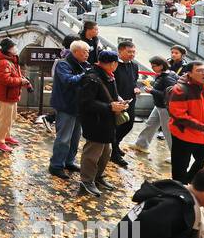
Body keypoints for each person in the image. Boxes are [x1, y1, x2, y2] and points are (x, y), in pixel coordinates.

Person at [75, 50, 129, 197]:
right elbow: (85, 103)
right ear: (113, 63)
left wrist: (119, 102)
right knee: (92, 153)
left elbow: (109, 95)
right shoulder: (91, 77)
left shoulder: (109, 76)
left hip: (107, 121)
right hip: (95, 121)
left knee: (106, 152)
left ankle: (97, 176)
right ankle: (86, 181)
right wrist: (109, 107)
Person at [167, 61, 204, 183]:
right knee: (180, 168)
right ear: (189, 74)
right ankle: (178, 192)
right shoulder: (180, 90)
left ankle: (190, 183)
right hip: (184, 135)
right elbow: (179, 115)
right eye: (199, 71)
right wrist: (203, 128)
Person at [48, 40, 91, 178]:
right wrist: (85, 75)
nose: (87, 54)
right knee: (63, 138)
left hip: (79, 106)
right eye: (85, 52)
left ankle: (69, 161)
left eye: (88, 52)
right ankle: (56, 165)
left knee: (75, 137)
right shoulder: (63, 64)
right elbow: (68, 81)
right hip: (66, 105)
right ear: (76, 52)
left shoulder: (84, 65)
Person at [128, 56, 176, 155]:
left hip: (165, 108)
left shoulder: (168, 78)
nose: (152, 68)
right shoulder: (163, 75)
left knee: (167, 131)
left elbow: (169, 95)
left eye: (154, 66)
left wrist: (152, 91)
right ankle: (141, 144)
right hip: (159, 106)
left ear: (161, 66)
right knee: (150, 124)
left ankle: (176, 155)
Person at [0, 38, 31, 153]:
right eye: (13, 47)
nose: (16, 49)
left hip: (11, 95)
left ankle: (6, 136)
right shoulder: (4, 62)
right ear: (8, 50)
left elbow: (15, 76)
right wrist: (20, 81)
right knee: (4, 119)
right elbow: (5, 80)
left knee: (11, 117)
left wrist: (23, 81)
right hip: (5, 96)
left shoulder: (12, 60)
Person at [109, 40, 139, 167]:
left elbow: (135, 80)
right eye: (129, 52)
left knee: (128, 124)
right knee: (115, 127)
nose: (132, 54)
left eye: (133, 52)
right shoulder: (114, 65)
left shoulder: (134, 65)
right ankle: (114, 153)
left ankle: (115, 145)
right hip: (117, 101)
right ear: (120, 51)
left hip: (130, 100)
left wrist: (136, 87)